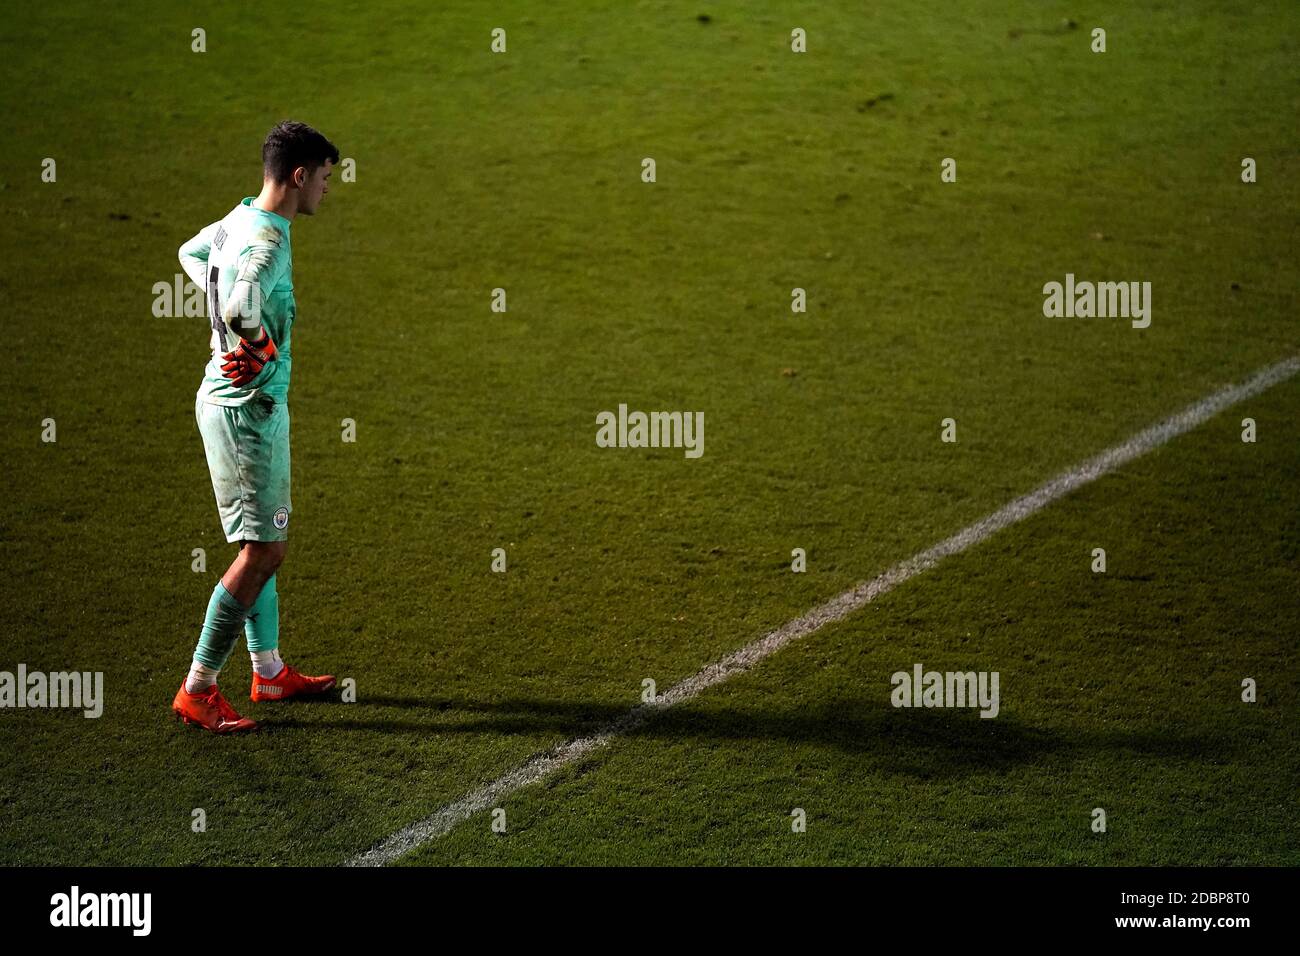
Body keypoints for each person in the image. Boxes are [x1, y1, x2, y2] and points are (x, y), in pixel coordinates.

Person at [172, 121, 339, 733]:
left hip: (245, 407)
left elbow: (192, 254)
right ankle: (198, 688)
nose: (327, 189)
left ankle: (268, 671)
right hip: (247, 411)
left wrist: (227, 311)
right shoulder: (266, 241)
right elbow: (243, 308)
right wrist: (260, 345)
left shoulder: (239, 220)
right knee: (265, 550)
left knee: (260, 546)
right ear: (299, 175)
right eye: (324, 178)